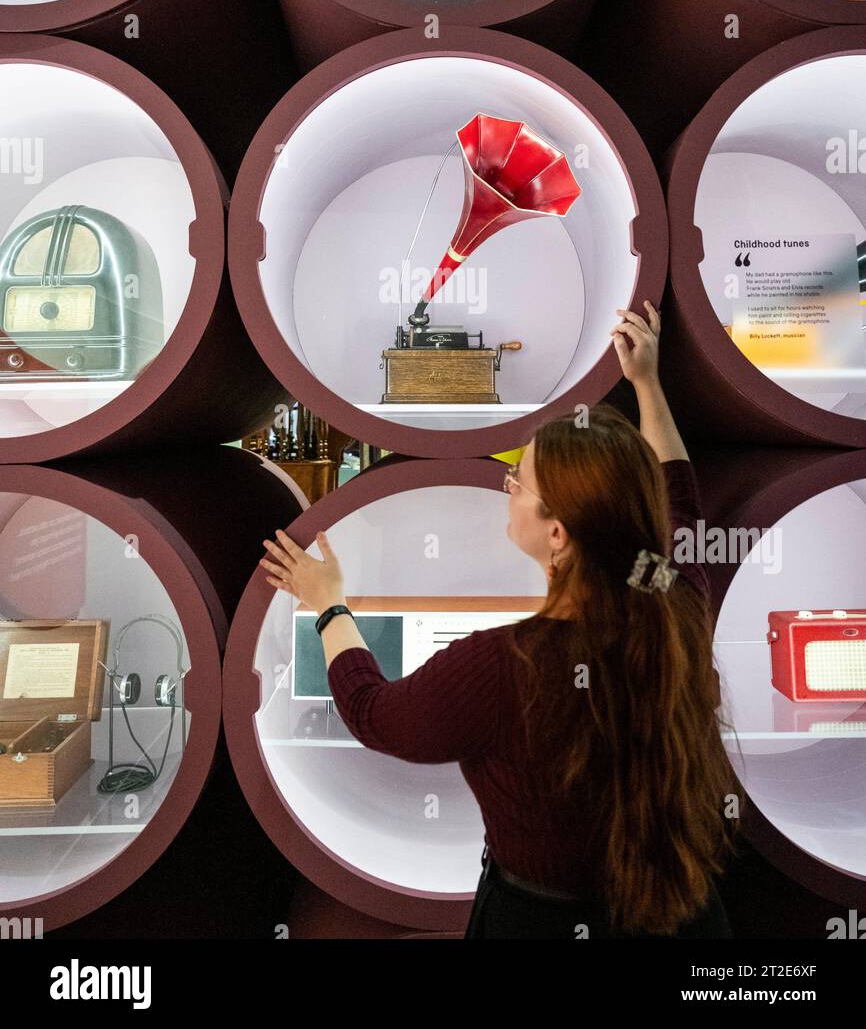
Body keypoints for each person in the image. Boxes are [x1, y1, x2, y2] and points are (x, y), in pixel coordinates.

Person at [260, 300, 744, 938]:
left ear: (559, 535)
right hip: (687, 912)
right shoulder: (670, 591)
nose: (508, 483)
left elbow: (376, 715)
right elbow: (676, 492)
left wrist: (328, 604)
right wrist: (648, 383)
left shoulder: (499, 667)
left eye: (522, 479)